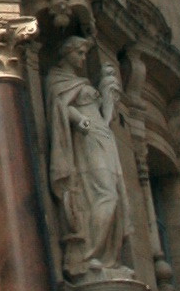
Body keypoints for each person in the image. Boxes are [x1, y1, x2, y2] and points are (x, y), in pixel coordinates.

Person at [44, 33, 130, 276]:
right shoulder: (57, 78)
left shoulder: (80, 82)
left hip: (102, 134)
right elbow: (59, 106)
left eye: (84, 54)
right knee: (106, 195)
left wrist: (109, 96)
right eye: (79, 53)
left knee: (114, 193)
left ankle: (108, 258)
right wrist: (78, 118)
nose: (83, 58)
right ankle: (91, 253)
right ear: (66, 53)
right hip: (87, 137)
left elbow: (104, 116)